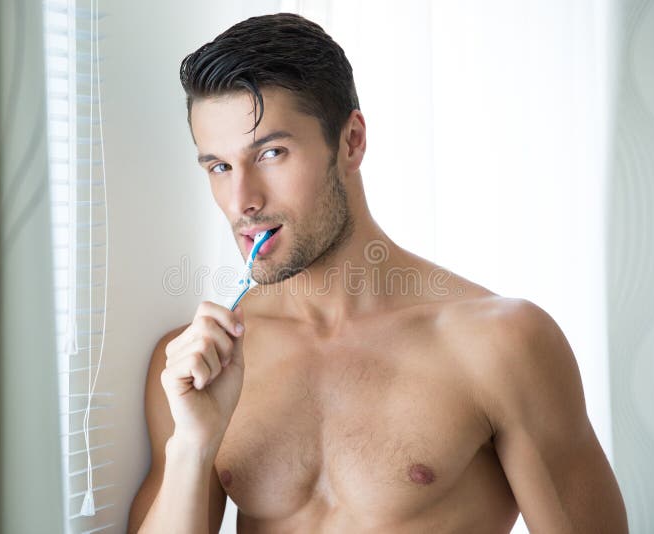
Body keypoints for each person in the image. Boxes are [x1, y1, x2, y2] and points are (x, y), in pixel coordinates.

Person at [128, 12, 628, 534]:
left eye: (271, 153)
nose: (242, 200)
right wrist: (193, 446)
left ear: (351, 141)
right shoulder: (195, 366)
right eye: (219, 166)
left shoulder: (502, 344)